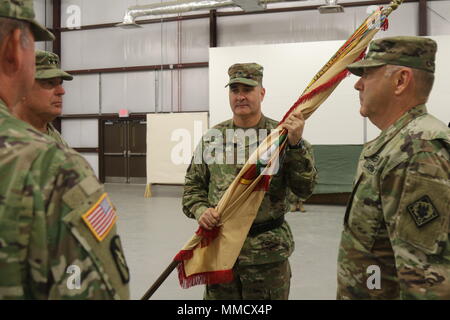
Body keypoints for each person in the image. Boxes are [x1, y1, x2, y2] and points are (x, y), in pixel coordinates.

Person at [0, 0, 130, 299]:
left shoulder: (55, 145)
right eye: (48, 82)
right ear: (13, 51)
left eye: (61, 82)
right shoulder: (51, 164)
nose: (61, 90)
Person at [182, 62, 317, 299]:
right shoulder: (213, 137)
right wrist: (201, 209)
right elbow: (193, 188)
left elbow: (305, 189)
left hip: (266, 256)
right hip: (221, 252)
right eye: (235, 90)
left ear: (262, 93)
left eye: (248, 89)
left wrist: (296, 147)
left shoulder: (282, 136)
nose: (241, 96)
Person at [337, 36, 450, 299]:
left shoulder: (419, 151)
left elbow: (425, 280)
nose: (358, 84)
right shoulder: (396, 143)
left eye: (367, 74)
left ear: (400, 81)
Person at [13, 50, 72, 146]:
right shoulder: (6, 138)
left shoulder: (55, 137)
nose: (61, 91)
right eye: (50, 83)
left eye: (60, 83)